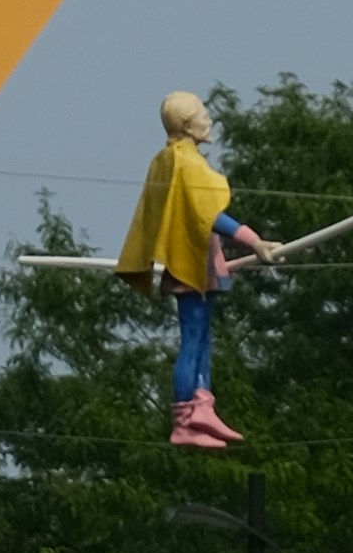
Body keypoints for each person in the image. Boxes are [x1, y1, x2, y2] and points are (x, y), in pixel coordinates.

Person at [114, 85, 278, 454]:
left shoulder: (165, 158)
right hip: (191, 263)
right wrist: (255, 241)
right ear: (188, 125)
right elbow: (210, 214)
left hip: (195, 259)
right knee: (193, 339)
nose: (209, 119)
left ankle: (201, 406)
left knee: (202, 339)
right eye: (203, 114)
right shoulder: (186, 163)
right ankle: (186, 415)